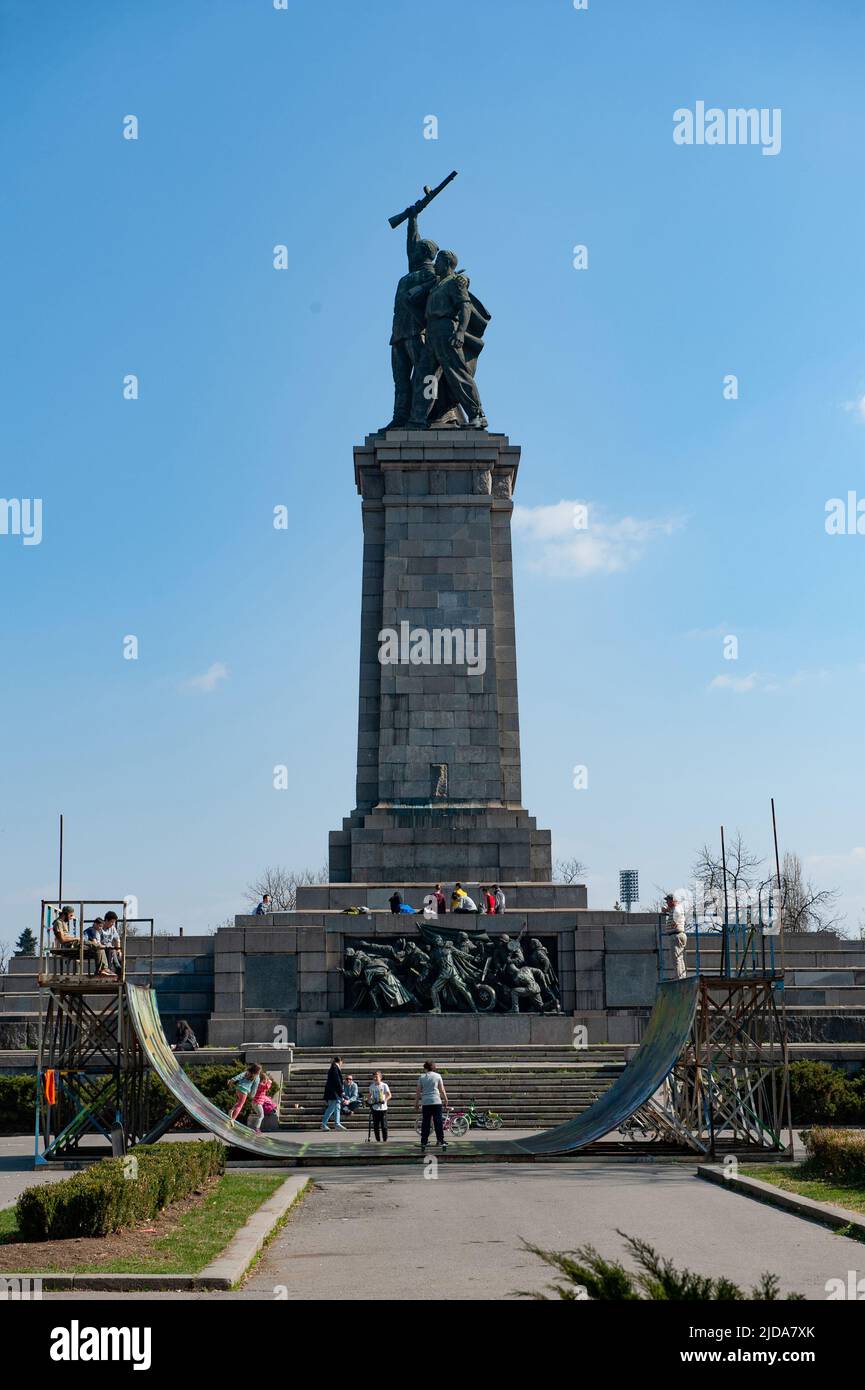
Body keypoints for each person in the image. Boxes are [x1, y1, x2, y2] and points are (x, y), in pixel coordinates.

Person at [407, 249, 489, 430]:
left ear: (447, 264)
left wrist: (460, 332)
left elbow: (465, 307)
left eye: (439, 262)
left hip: (446, 331)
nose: (435, 265)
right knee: (425, 376)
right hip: (432, 333)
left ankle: (477, 415)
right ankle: (419, 418)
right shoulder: (437, 284)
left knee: (457, 375)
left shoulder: (455, 282)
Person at [381, 206, 439, 430]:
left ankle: (428, 414)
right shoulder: (411, 273)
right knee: (401, 381)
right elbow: (411, 243)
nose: (411, 251)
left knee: (426, 377)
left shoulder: (433, 275)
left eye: (416, 250)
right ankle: (400, 417)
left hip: (419, 333)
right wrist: (412, 219)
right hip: (398, 335)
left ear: (424, 254)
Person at [415, 1059, 449, 1151]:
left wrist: (416, 1103)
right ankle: (440, 1140)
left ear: (425, 1068)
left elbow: (418, 1091)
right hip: (436, 1101)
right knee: (438, 1122)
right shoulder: (438, 1076)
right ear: (433, 1067)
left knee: (426, 1122)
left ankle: (424, 1141)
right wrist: (446, 1099)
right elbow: (442, 1089)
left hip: (426, 1102)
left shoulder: (422, 1077)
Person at [665, 893, 688, 980]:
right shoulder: (677, 908)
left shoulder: (675, 910)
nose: (667, 902)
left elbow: (675, 923)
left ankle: (679, 977)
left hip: (676, 935)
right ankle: (682, 976)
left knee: (676, 958)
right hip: (680, 934)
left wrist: (670, 928)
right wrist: (667, 910)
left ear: (672, 900)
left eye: (668, 900)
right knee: (680, 957)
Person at [322, 1056, 347, 1132]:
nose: (342, 1064)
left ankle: (337, 1124)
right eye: (342, 1062)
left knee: (337, 1107)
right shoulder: (335, 1068)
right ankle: (323, 1124)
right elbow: (337, 1081)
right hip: (333, 1092)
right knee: (332, 1108)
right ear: (340, 1061)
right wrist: (341, 1090)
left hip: (334, 1092)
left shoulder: (333, 1067)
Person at [368, 1071, 392, 1142]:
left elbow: (389, 1095)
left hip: (383, 1108)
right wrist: (369, 1100)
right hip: (375, 1108)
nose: (375, 1078)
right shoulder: (371, 1086)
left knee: (384, 1126)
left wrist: (385, 1100)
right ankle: (378, 1140)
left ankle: (385, 1140)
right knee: (376, 1126)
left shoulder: (384, 1085)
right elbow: (370, 1096)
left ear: (380, 1077)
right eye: (374, 1077)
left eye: (377, 1077)